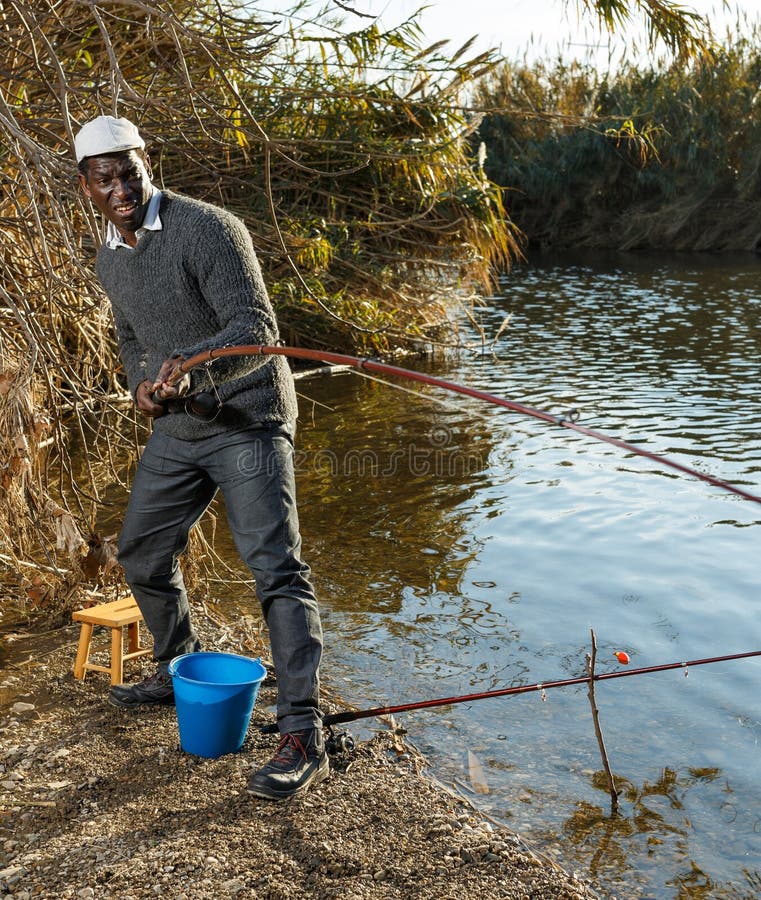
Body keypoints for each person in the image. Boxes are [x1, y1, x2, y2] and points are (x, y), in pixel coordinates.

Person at [74, 114, 326, 800]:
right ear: (87, 186)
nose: (122, 187)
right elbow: (130, 341)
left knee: (276, 567)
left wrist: (191, 371)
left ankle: (302, 730)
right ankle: (177, 666)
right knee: (142, 552)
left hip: (247, 417)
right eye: (107, 178)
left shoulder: (208, 228)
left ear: (146, 164)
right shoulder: (107, 257)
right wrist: (141, 390)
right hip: (179, 429)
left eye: (131, 171)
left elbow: (254, 327)